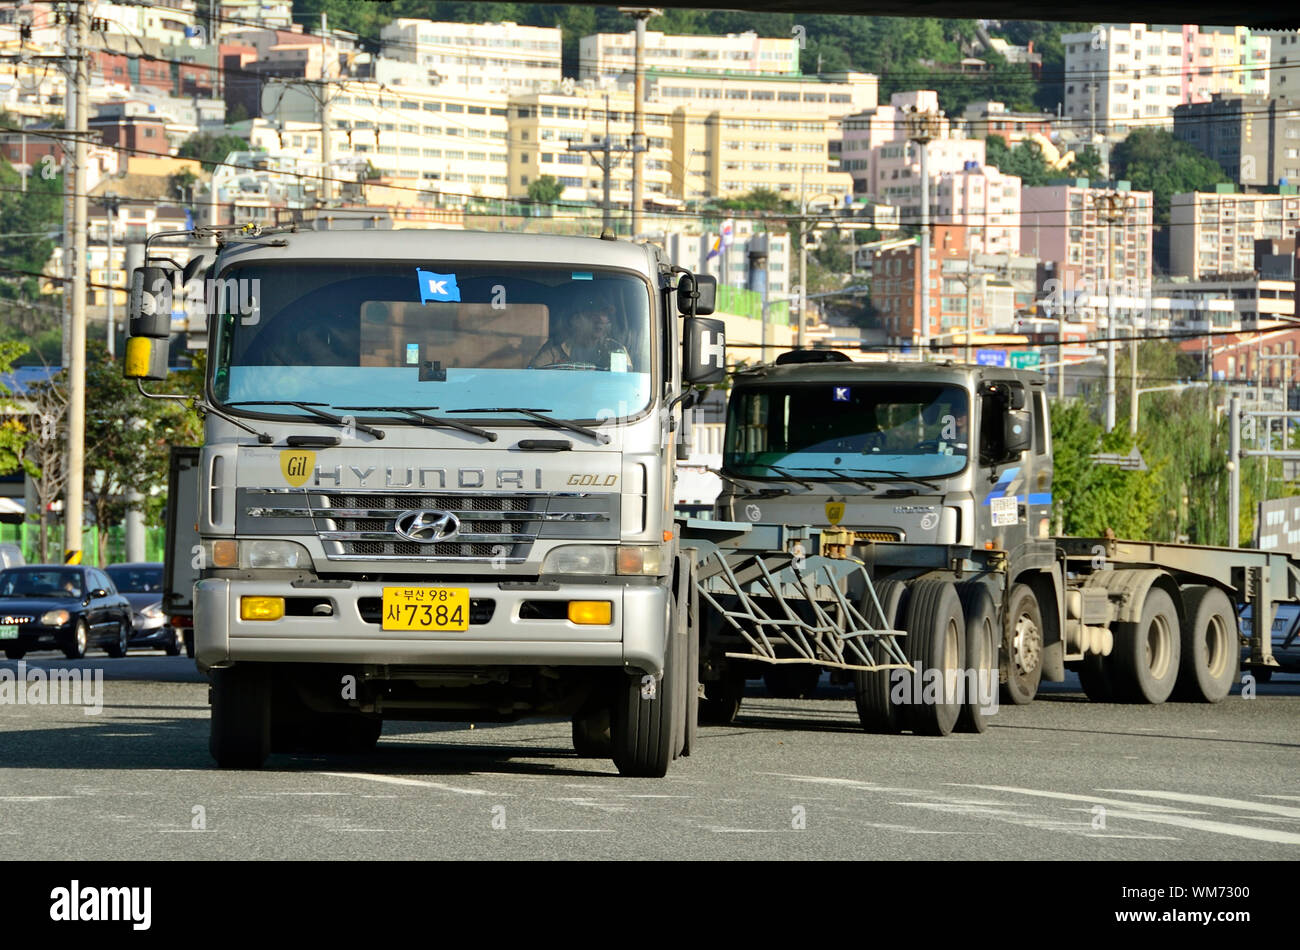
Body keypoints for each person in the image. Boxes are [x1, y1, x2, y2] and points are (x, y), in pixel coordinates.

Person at [530, 290, 632, 371]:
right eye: (594, 314)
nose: (602, 319)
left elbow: (626, 384)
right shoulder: (555, 348)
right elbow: (533, 377)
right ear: (576, 318)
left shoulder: (615, 349)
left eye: (605, 314)